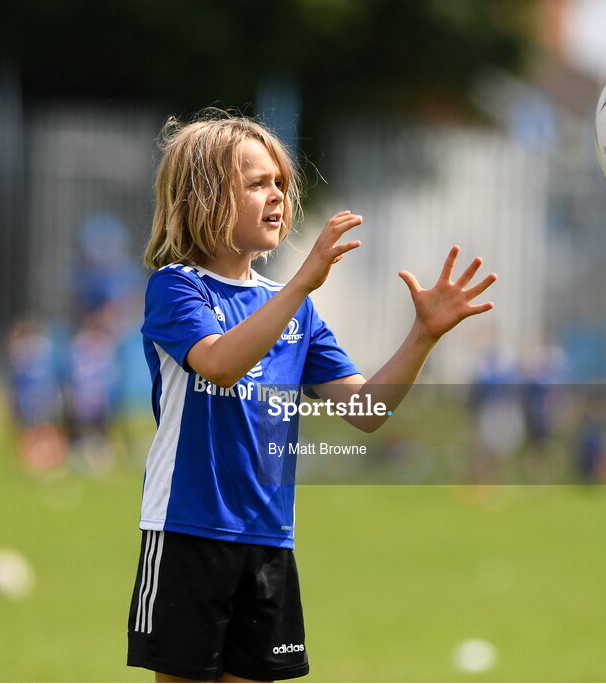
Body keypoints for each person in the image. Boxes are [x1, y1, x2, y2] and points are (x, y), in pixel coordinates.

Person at [127, 109, 497, 682]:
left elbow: (367, 412)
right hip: (188, 533)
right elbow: (221, 364)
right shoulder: (177, 287)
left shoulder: (293, 308)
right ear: (202, 197)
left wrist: (423, 335)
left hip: (269, 539)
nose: (277, 196)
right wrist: (303, 281)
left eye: (280, 183)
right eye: (256, 184)